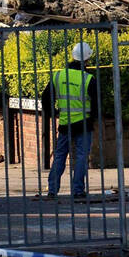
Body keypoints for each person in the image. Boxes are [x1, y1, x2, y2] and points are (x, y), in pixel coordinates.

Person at [42, 41, 99, 199]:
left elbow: (45, 98)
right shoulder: (88, 78)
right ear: (87, 59)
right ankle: (78, 191)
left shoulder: (59, 75)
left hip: (65, 124)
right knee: (81, 157)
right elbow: (96, 103)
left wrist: (53, 113)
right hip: (84, 124)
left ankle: (52, 190)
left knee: (60, 155)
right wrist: (94, 119)